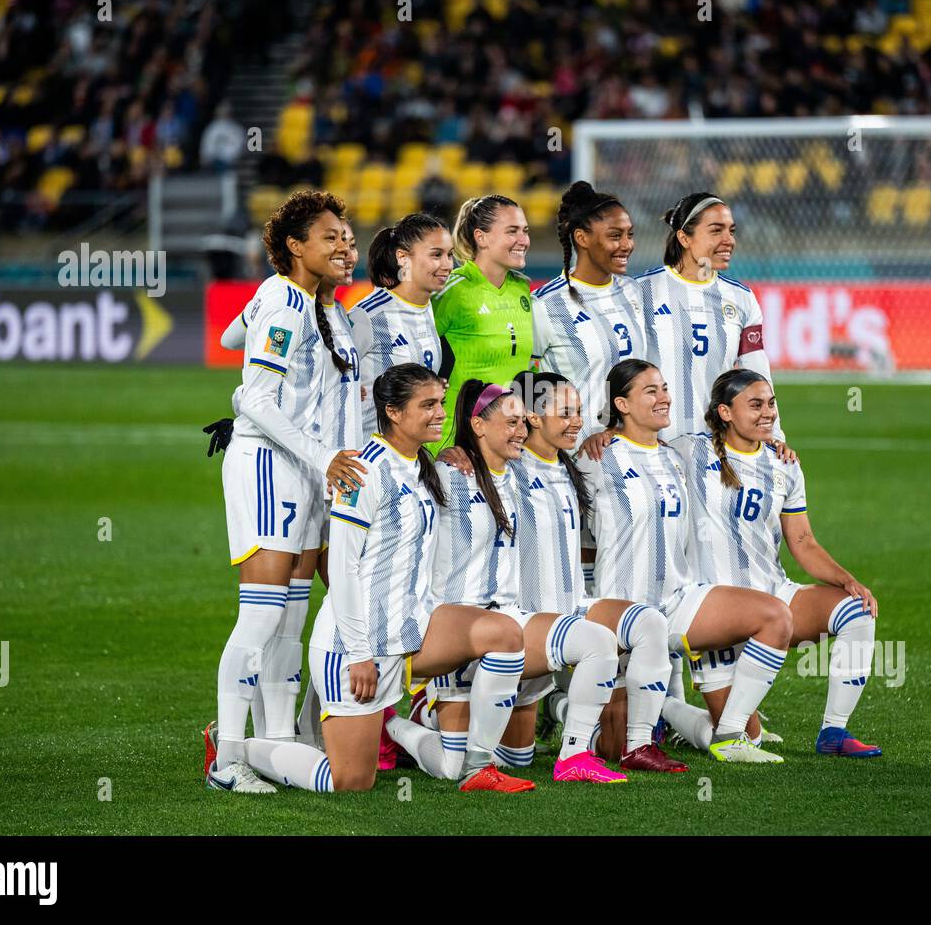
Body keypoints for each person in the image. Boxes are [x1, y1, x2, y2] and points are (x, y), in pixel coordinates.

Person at [208, 364, 538, 792]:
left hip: (412, 634)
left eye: (441, 402)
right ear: (394, 413)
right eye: (428, 405)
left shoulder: (426, 467)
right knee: (349, 781)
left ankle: (479, 766)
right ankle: (236, 749)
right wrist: (361, 654)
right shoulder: (361, 471)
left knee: (504, 635)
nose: (440, 412)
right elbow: (343, 569)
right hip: (354, 647)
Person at [203, 190, 367, 793]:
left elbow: (227, 339)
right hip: (274, 467)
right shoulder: (287, 304)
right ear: (295, 247)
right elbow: (258, 400)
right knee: (263, 616)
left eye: (347, 238)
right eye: (331, 238)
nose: (345, 248)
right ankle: (227, 758)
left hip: (309, 471)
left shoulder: (316, 305)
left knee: (291, 617)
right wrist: (326, 456)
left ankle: (273, 741)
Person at [389, 379, 627, 783]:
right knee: (450, 768)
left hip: (510, 622)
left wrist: (606, 434)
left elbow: (556, 447)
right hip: (455, 630)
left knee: (597, 643)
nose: (522, 430)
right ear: (478, 426)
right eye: (511, 422)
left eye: (523, 421)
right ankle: (391, 724)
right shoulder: (446, 475)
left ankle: (573, 758)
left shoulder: (519, 476)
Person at [580, 358, 793, 763]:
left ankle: (730, 735)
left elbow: (736, 448)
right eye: (651, 391)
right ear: (622, 405)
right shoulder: (595, 458)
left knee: (775, 617)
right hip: (622, 610)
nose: (664, 398)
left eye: (664, 388)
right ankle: (563, 706)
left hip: (678, 602)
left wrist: (774, 443)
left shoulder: (680, 455)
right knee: (613, 747)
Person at [669, 369, 882, 757]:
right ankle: (670, 713)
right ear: (725, 412)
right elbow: (637, 443)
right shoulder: (689, 451)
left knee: (857, 612)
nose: (768, 412)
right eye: (755, 405)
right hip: (712, 607)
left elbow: (802, 541)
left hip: (773, 593)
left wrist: (847, 579)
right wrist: (602, 435)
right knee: (743, 737)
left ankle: (833, 733)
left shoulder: (783, 465)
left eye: (771, 403)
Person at [512, 371, 681, 772]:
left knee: (649, 624)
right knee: (505, 757)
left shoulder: (574, 465)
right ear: (533, 418)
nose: (577, 421)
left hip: (573, 609)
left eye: (580, 412)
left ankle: (629, 748)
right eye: (566, 412)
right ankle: (420, 719)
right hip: (525, 621)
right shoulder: (507, 470)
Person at [636, 192, 784, 448]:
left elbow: (758, 375)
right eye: (716, 231)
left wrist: (774, 435)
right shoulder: (640, 292)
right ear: (684, 238)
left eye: (731, 230)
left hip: (718, 451)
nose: (729, 240)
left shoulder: (741, 299)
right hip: (653, 448)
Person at [531, 182, 647, 437]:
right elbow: (527, 386)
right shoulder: (545, 304)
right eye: (615, 236)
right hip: (577, 455)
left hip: (631, 451)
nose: (627, 245)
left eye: (630, 234)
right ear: (582, 238)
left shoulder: (633, 291)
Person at [430, 194, 534, 454]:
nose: (523, 240)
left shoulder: (522, 288)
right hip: (454, 445)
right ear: (482, 237)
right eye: (512, 231)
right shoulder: (451, 290)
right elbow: (417, 364)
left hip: (506, 443)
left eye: (525, 231)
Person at [348, 213, 451, 438]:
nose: (446, 265)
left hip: (410, 458)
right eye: (436, 255)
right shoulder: (368, 315)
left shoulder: (428, 309)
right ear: (403, 258)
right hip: (367, 458)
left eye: (449, 255)